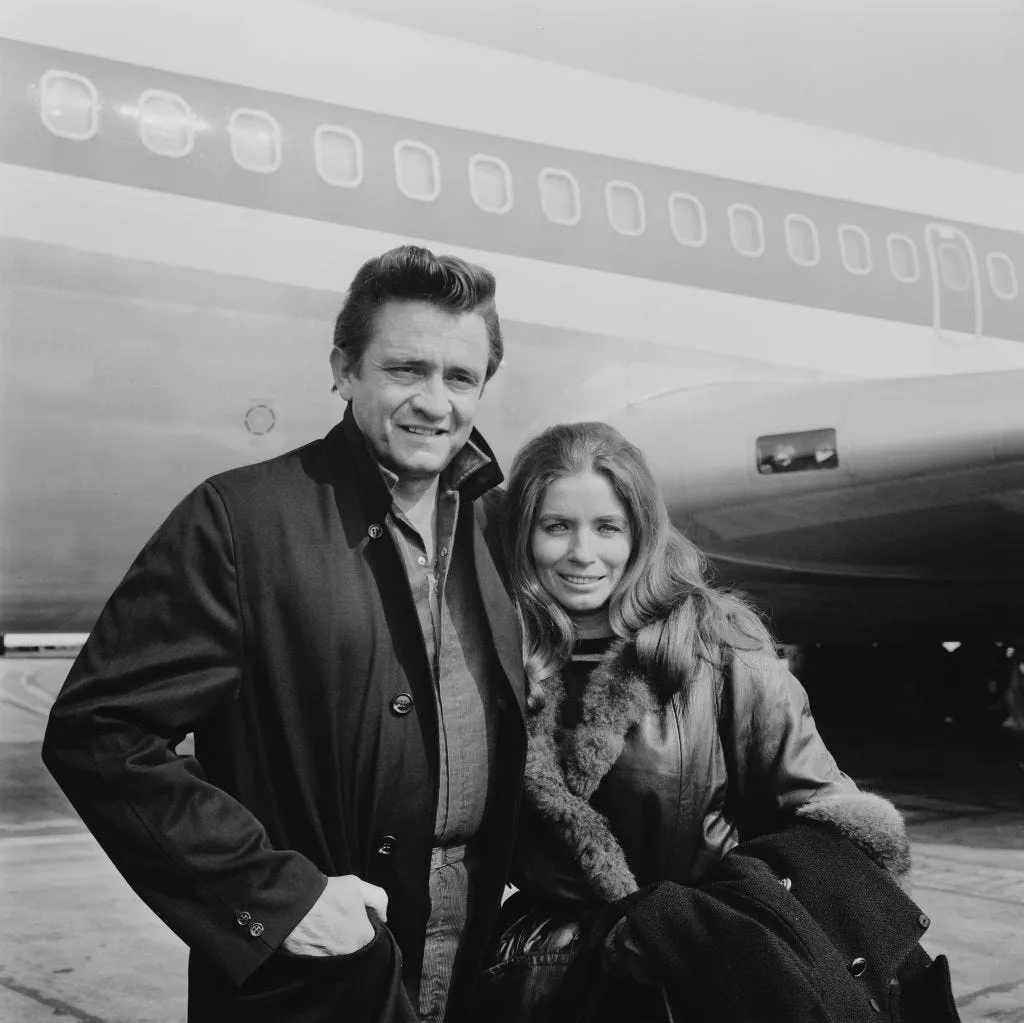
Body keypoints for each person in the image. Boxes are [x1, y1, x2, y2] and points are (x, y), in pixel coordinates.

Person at [42, 245, 527, 1023]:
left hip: (460, 969)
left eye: (461, 377)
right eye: (405, 370)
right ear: (343, 370)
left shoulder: (493, 532)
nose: (435, 402)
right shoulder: (240, 521)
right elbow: (100, 732)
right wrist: (279, 900)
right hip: (319, 982)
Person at [479, 421, 957, 1023]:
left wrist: (692, 926)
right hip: (557, 985)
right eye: (556, 527)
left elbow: (837, 831)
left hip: (713, 984)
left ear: (641, 535)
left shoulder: (715, 647)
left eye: (607, 527)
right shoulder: (496, 660)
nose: (582, 553)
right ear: (524, 534)